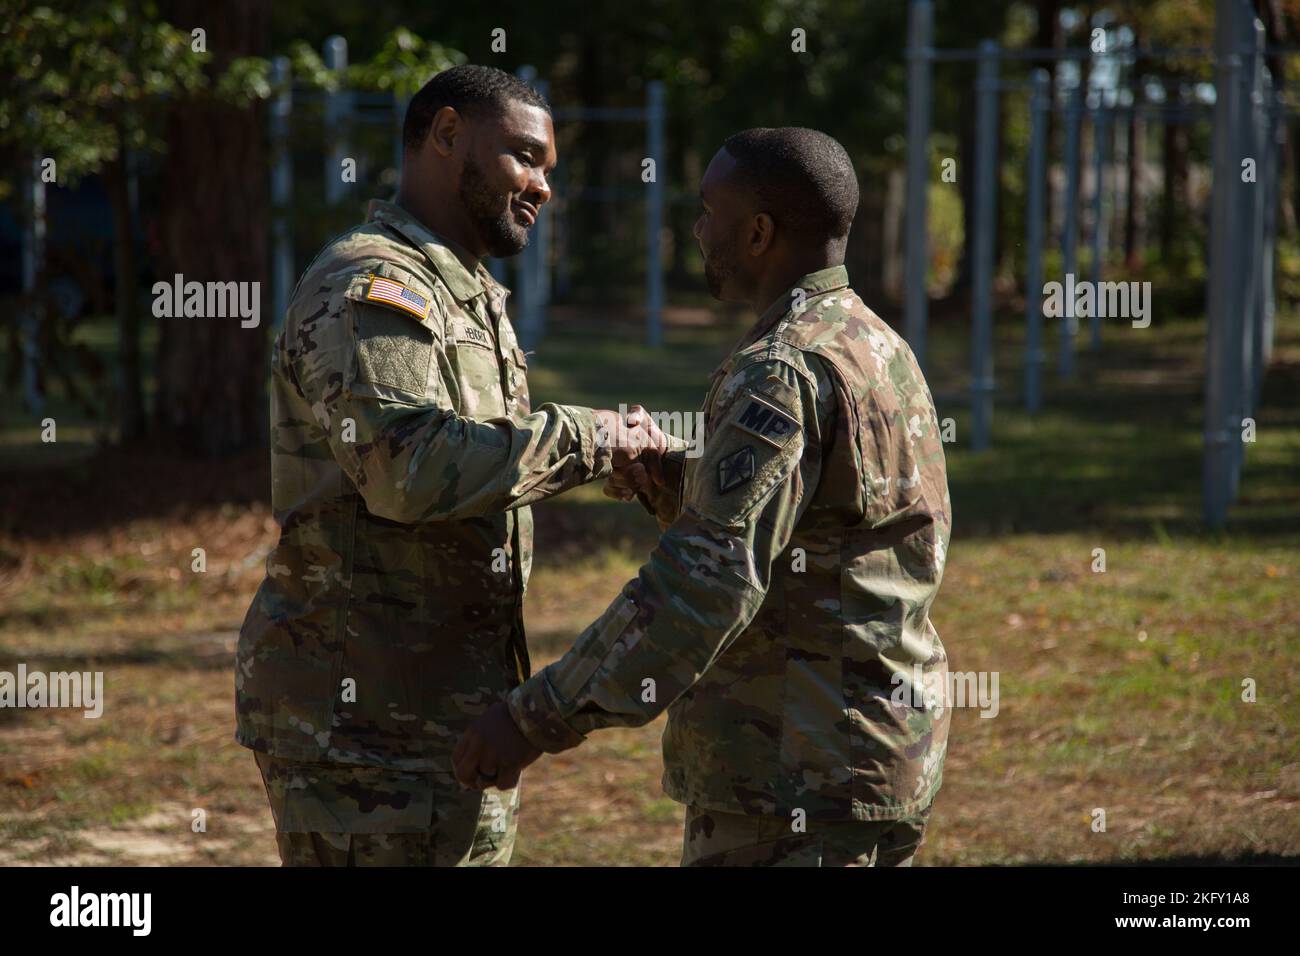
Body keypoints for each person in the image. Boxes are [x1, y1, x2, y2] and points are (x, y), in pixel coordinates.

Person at [454, 127, 953, 867]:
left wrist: (534, 718)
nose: (696, 228)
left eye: (708, 209)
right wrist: (676, 478)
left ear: (758, 232)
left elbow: (704, 583)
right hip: (872, 758)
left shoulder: (782, 369)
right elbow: (833, 526)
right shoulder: (875, 343)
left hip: (793, 784)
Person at [235, 64, 664, 867]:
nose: (542, 188)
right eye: (525, 158)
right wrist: (588, 439)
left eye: (549, 170)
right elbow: (407, 470)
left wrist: (600, 464)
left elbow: (478, 468)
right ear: (446, 135)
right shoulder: (373, 285)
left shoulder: (463, 291)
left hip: (451, 711)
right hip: (362, 730)